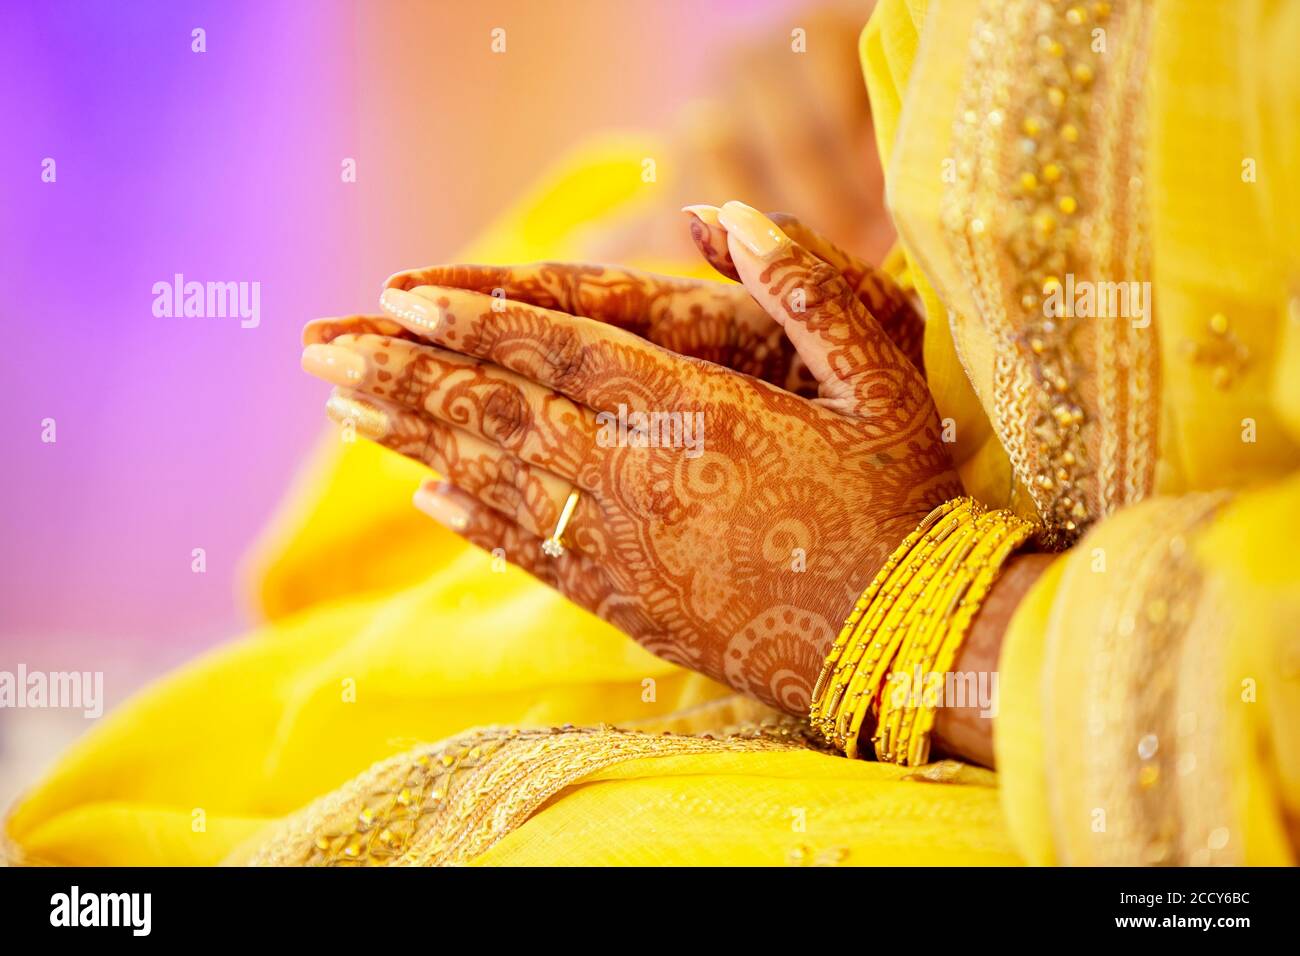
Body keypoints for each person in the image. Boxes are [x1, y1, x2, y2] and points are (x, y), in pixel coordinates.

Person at [8, 0, 1299, 867]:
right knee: (176, 772)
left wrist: (923, 621)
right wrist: (850, 132)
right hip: (876, 521)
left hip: (1102, 734)